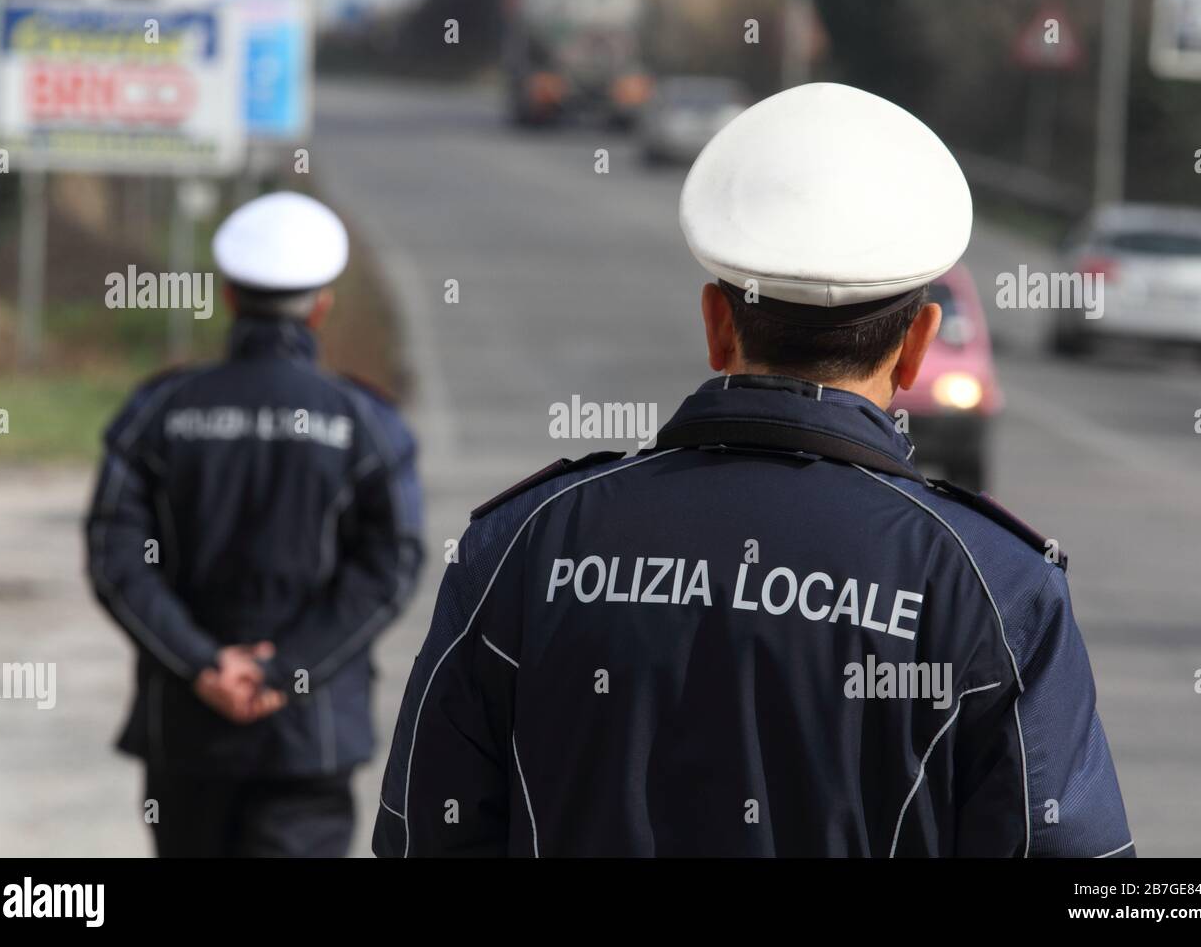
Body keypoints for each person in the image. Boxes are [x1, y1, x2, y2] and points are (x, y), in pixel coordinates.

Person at [372, 83, 1132, 858]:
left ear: (714, 321)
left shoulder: (522, 546)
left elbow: (418, 837)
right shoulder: (996, 589)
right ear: (918, 345)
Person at [86, 191, 424, 857]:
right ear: (321, 305)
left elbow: (114, 557)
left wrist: (203, 662)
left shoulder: (157, 410)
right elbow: (390, 570)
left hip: (187, 730)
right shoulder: (367, 423)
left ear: (228, 296)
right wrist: (287, 671)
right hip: (311, 733)